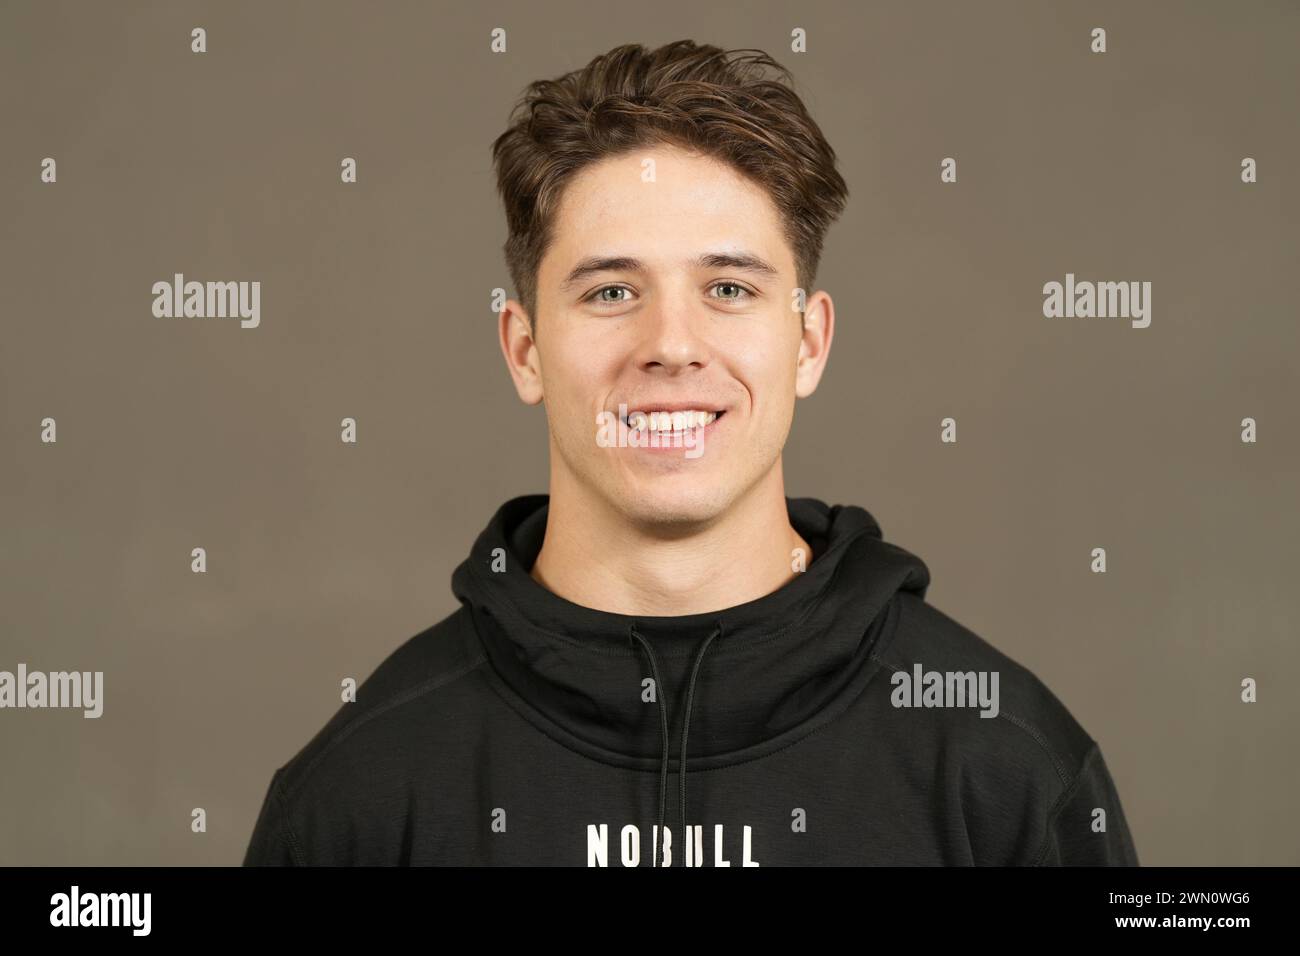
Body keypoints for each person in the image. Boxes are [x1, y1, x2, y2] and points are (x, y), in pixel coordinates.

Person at [243, 39, 1138, 867]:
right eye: (611, 290)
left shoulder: (1006, 766)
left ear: (809, 342)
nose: (672, 342)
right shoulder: (357, 794)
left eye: (728, 286)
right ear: (524, 350)